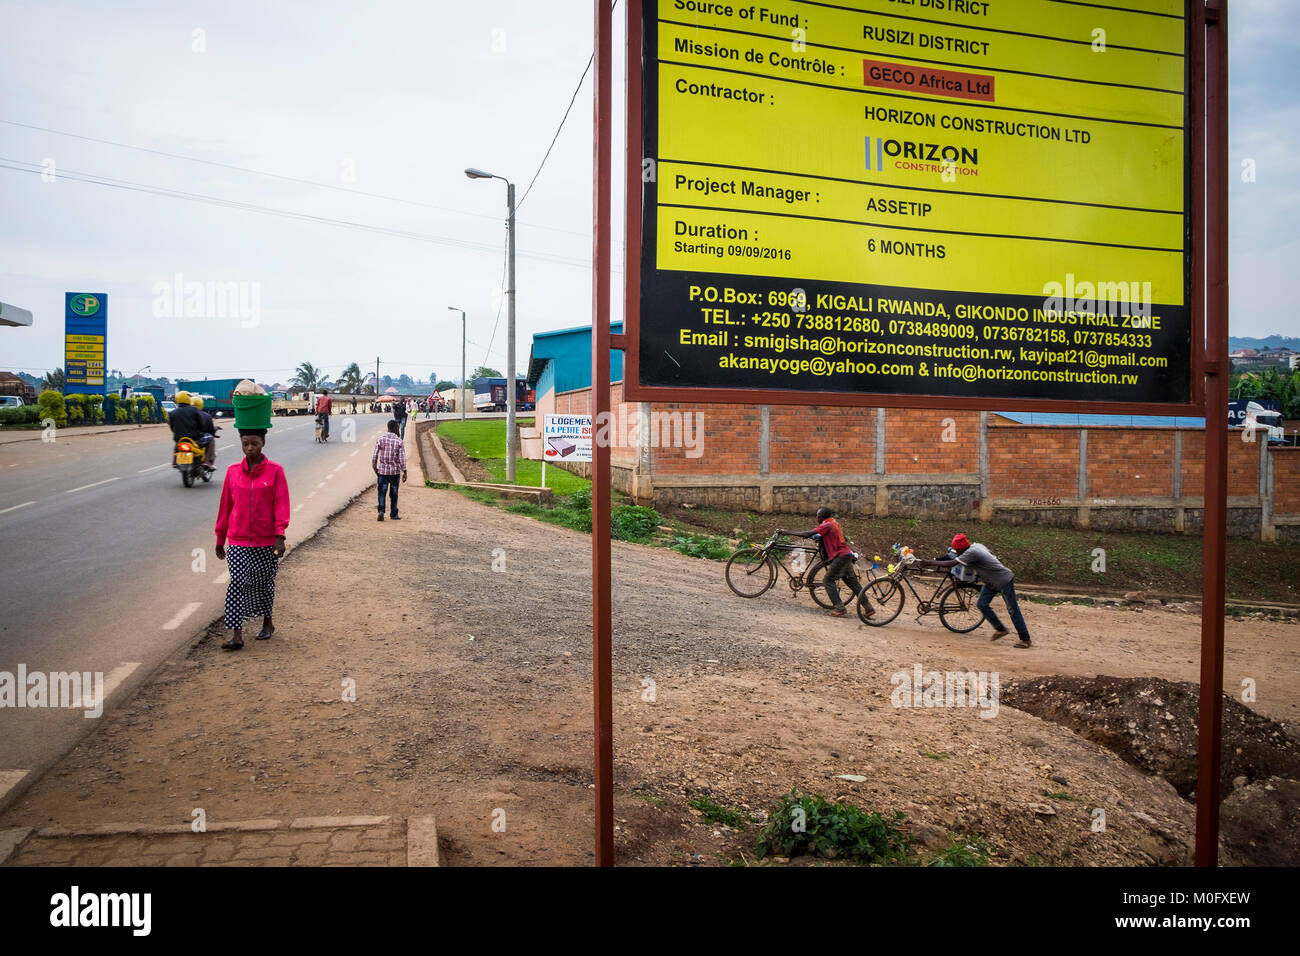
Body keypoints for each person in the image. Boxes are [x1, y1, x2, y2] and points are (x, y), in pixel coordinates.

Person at [214, 392, 289, 651]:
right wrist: (219, 538)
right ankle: (236, 634)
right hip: (237, 540)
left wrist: (280, 535)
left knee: (264, 582)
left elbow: (281, 505)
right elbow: (226, 507)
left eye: (254, 443)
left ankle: (268, 622)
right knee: (237, 583)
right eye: (245, 443)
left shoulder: (275, 471)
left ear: (263, 442)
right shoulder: (233, 472)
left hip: (266, 540)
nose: (249, 448)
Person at [920, 534, 1032, 647]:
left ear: (962, 549)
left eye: (958, 551)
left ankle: (1025, 639)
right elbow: (991, 555)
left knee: (1013, 610)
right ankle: (1001, 629)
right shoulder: (976, 546)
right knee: (982, 604)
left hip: (1003, 580)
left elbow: (952, 563)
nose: (957, 553)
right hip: (990, 581)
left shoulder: (971, 553)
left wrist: (930, 562)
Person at [777, 506, 872, 618]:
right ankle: (869, 608)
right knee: (853, 583)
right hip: (847, 555)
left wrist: (786, 532)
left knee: (828, 580)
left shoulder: (826, 525)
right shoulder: (833, 522)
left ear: (822, 516)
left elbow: (807, 533)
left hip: (840, 556)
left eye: (818, 515)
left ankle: (840, 608)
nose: (817, 517)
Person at [372, 419, 408, 521]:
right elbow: (402, 458)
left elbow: (375, 455)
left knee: (381, 493)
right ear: (395, 428)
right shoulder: (399, 441)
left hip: (382, 471)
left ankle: (381, 511)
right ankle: (393, 514)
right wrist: (404, 471)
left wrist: (375, 467)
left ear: (388, 428)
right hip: (394, 472)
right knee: (394, 494)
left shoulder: (381, 439)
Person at [192, 396, 219, 471]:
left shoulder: (187, 414)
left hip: (188, 438)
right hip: (199, 438)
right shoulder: (206, 415)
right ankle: (207, 462)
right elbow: (211, 430)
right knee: (211, 439)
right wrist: (214, 431)